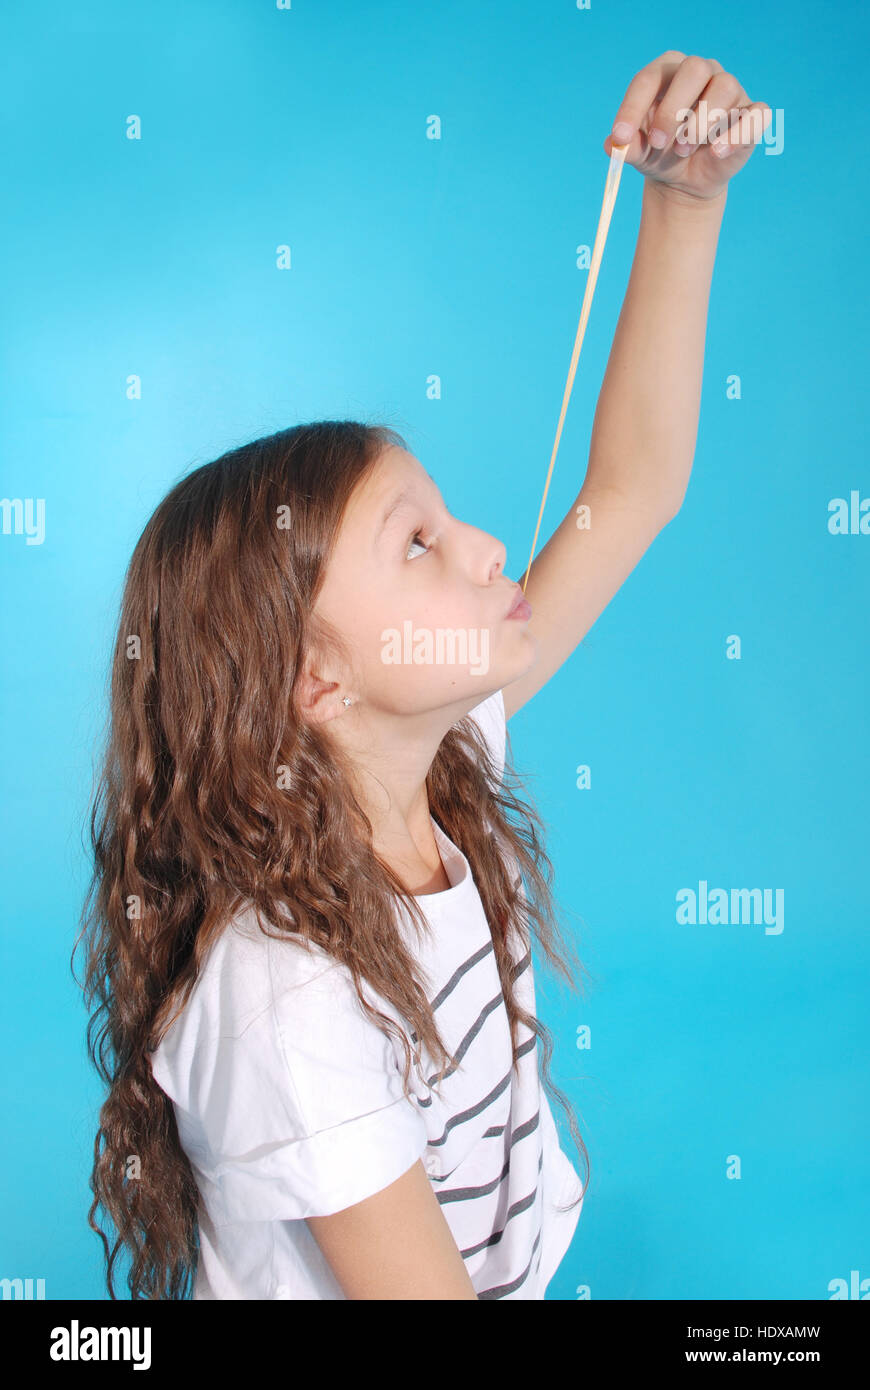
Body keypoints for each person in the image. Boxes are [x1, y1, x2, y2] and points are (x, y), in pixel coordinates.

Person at [76, 50, 769, 1299]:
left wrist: (687, 200)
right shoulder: (289, 996)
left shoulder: (430, 767)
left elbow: (631, 490)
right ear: (316, 684)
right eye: (417, 543)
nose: (488, 546)